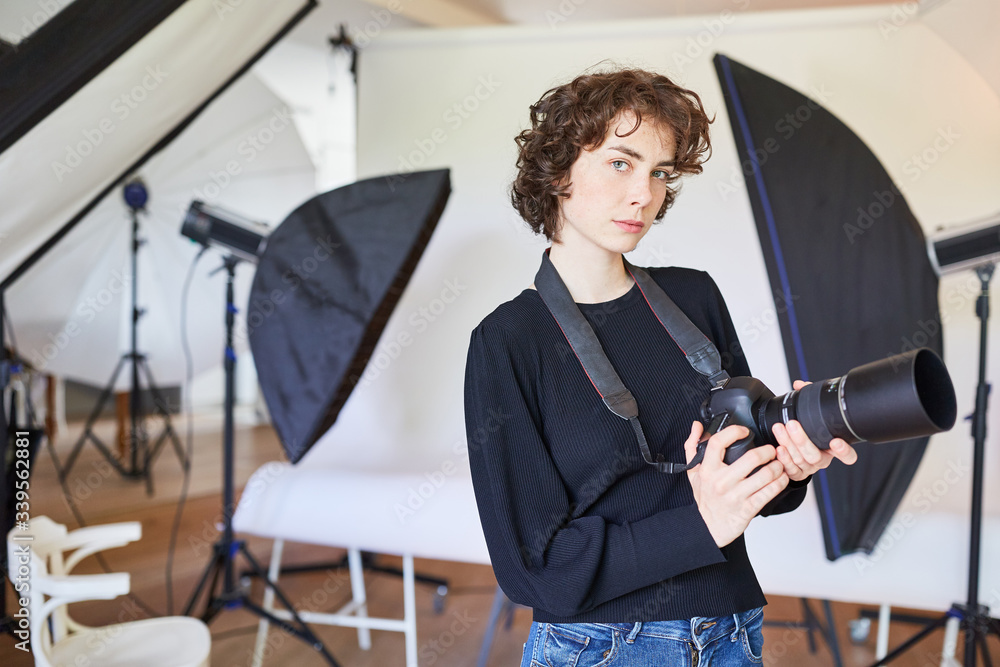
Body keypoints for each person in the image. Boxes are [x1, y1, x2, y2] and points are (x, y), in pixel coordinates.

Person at [463, 67, 859, 666]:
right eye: (621, 163)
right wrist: (701, 524)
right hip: (600, 647)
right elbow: (534, 570)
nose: (643, 195)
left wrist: (793, 462)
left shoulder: (694, 298)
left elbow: (751, 495)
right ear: (559, 167)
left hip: (730, 630)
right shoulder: (508, 342)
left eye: (660, 172)